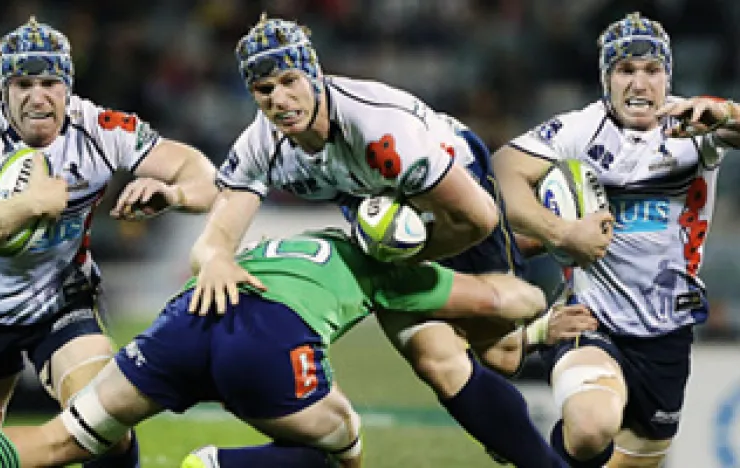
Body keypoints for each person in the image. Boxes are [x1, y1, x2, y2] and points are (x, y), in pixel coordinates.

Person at [185, 13, 580, 467]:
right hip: (379, 213)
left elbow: (478, 218)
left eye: (289, 80)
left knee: (503, 355)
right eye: (264, 90)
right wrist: (213, 258)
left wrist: (406, 259)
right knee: (436, 359)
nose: (280, 99)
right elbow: (216, 235)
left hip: (454, 192)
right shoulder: (260, 144)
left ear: (313, 74)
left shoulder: (380, 129)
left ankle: (542, 260)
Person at [0, 227, 558, 468]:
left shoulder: (301, 239)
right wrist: (535, 301)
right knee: (344, 447)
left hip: (185, 322)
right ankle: (214, 467)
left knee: (67, 436)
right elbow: (502, 302)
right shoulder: (396, 270)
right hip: (268, 341)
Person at [0, 16, 217, 465]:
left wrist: (171, 193)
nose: (37, 97)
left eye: (49, 83)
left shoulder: (99, 128)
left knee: (107, 427)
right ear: (5, 91)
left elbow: (203, 176)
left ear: (67, 87)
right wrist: (26, 205)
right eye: (23, 84)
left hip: (62, 301)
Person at [493, 11, 740, 468]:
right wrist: (563, 232)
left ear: (668, 76)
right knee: (590, 427)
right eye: (625, 70)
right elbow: (502, 173)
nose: (639, 84)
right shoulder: (580, 130)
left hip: (667, 332)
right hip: (591, 320)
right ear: (607, 77)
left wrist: (725, 111)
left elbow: (728, 124)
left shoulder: (696, 126)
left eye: (651, 70)